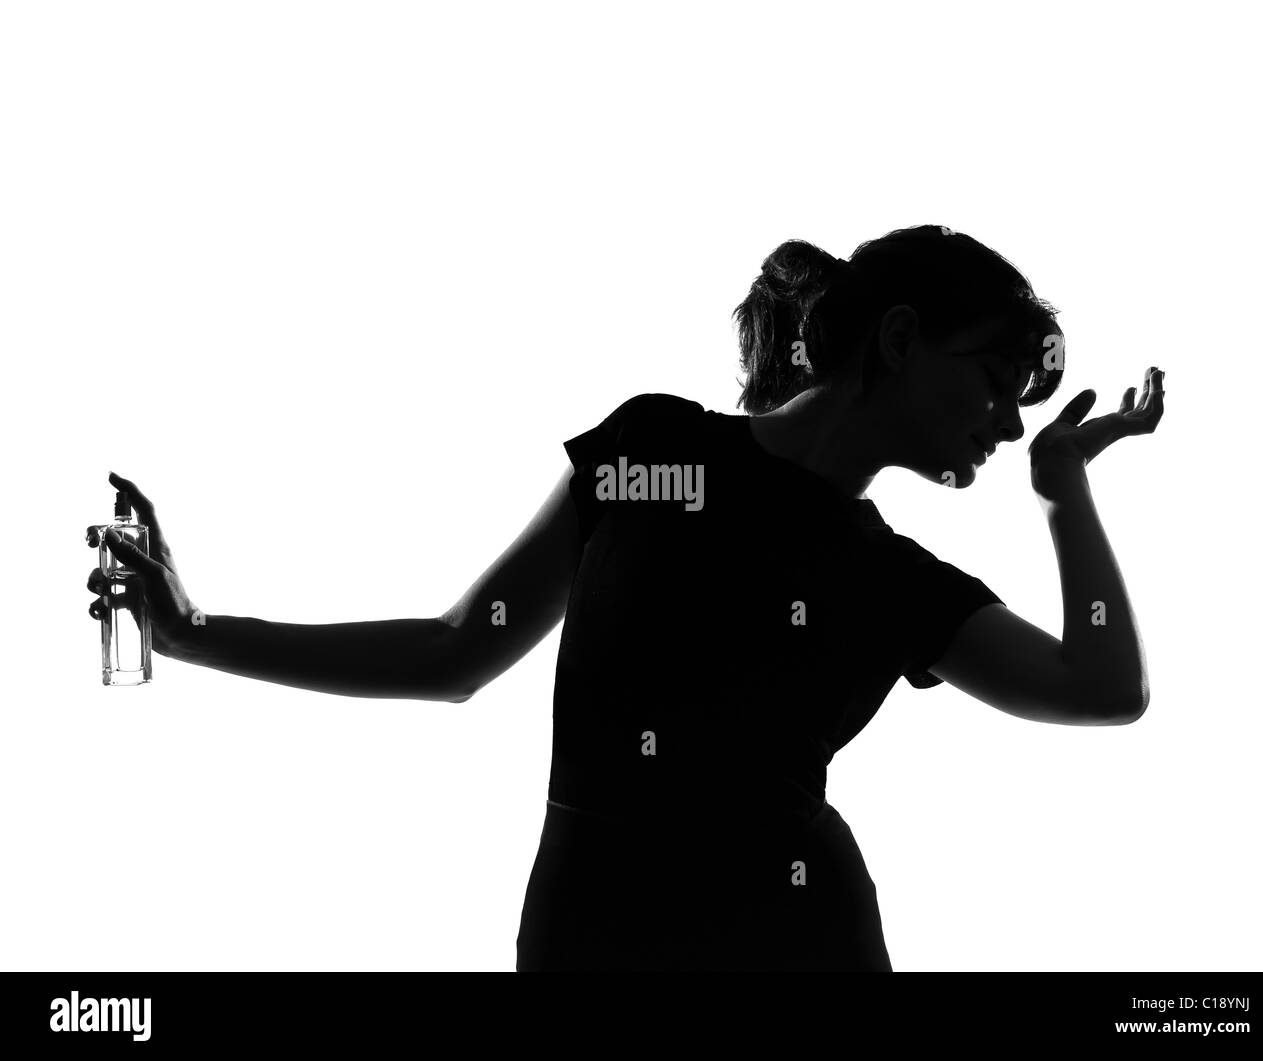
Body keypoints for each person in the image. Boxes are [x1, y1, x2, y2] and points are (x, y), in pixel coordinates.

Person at [88, 224, 1165, 971]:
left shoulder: (894, 581)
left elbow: (1103, 684)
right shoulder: (657, 454)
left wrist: (1065, 496)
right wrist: (188, 632)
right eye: (992, 379)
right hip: (585, 943)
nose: (1010, 423)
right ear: (896, 338)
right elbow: (457, 651)